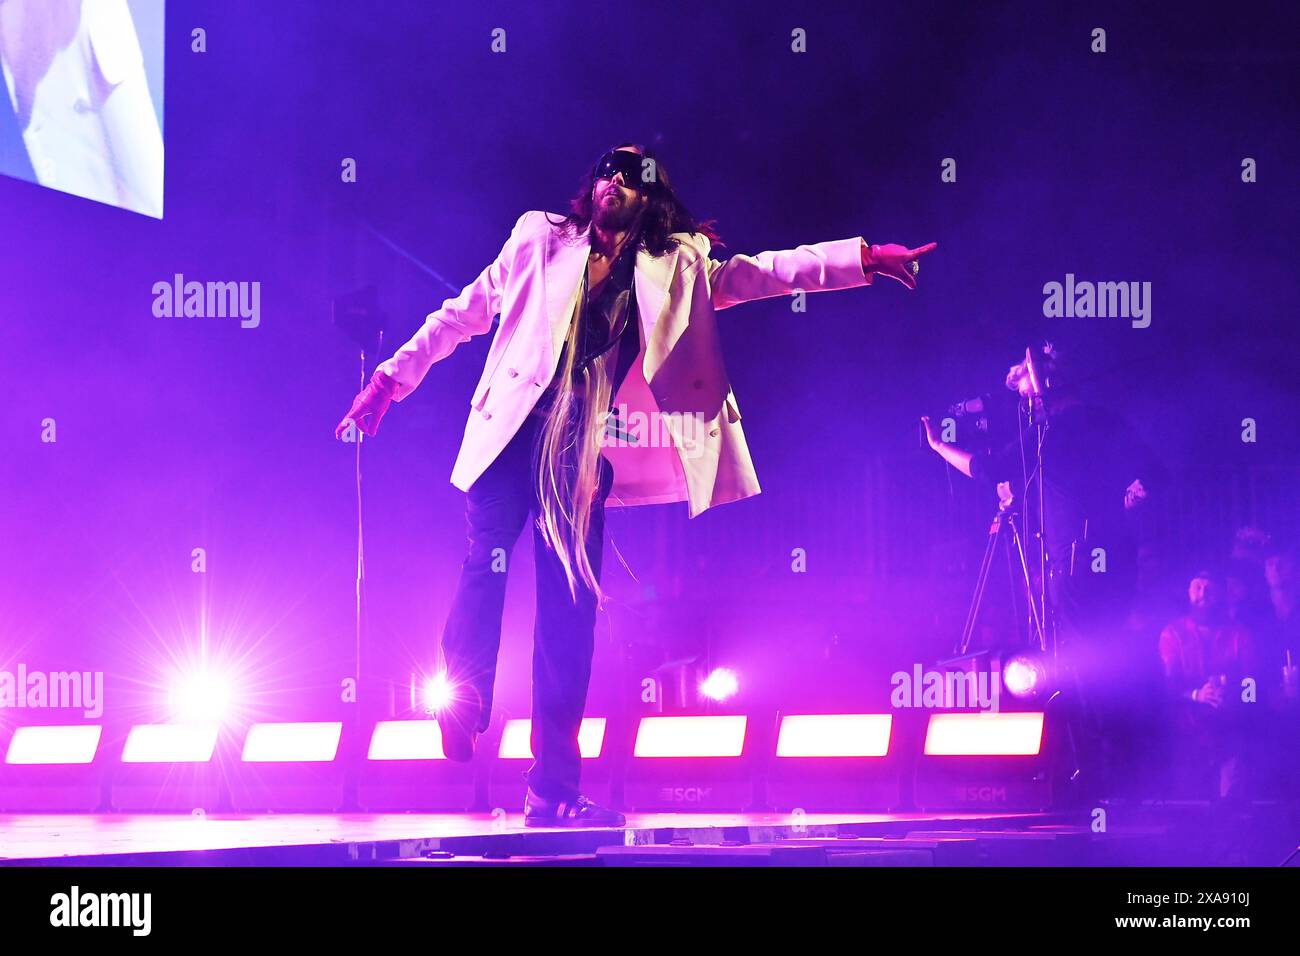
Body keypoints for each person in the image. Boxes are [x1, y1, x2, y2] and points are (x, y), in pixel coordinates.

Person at [336, 143, 936, 826]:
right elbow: (464, 312)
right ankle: (465, 695)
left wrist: (860, 258)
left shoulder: (673, 265)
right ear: (591, 187)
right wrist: (392, 378)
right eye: (606, 170)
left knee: (569, 614)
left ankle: (553, 791)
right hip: (508, 432)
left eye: (633, 176)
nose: (616, 180)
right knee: (486, 557)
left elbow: (761, 273)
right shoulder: (538, 236)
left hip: (577, 449)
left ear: (651, 197)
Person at [1158, 570, 1255, 802]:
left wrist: (1236, 695)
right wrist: (1196, 695)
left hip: (1230, 736)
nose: (1203, 594)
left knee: (1231, 808)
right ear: (1188, 591)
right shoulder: (1173, 633)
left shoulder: (1239, 634)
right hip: (1188, 736)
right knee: (1191, 809)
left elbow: (1252, 683)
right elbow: (1166, 686)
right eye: (1198, 587)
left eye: (1209, 588)